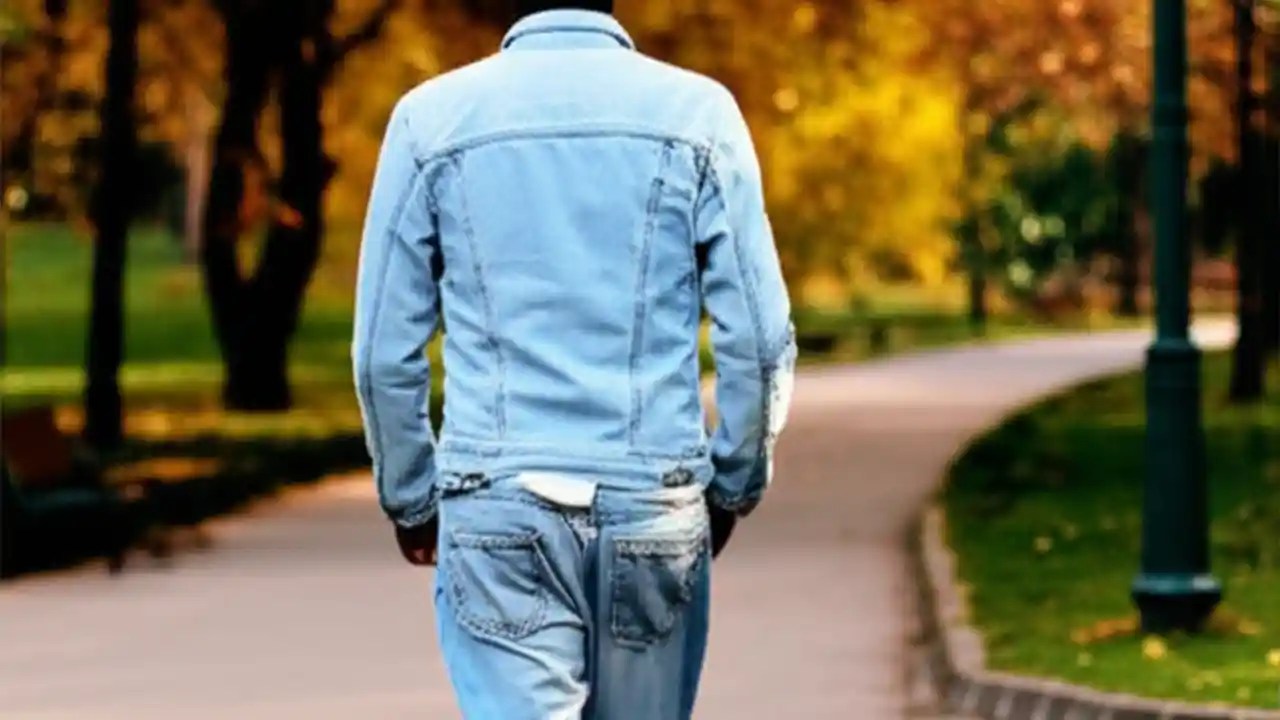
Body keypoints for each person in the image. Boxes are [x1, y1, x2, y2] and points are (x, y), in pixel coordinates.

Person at [351, 1, 795, 717]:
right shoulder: (699, 115)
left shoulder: (429, 121)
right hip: (655, 506)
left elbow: (381, 355)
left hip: (495, 508)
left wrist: (412, 498)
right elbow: (761, 340)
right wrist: (732, 485)